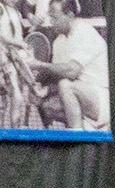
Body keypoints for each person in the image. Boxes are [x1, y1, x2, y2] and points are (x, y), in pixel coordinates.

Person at [31, 0, 106, 130]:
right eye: (50, 17)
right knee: (47, 106)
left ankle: (77, 138)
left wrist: (38, 65)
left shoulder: (84, 32)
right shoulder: (58, 42)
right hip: (80, 99)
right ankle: (81, 129)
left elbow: (71, 72)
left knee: (66, 85)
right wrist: (45, 90)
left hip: (102, 100)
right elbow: (61, 77)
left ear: (70, 15)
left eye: (54, 18)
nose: (50, 22)